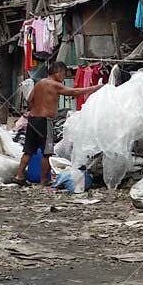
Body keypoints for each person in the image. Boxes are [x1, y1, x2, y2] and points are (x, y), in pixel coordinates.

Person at [16, 60, 99, 189]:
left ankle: (19, 176)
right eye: (63, 74)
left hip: (33, 119)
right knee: (47, 152)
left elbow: (30, 99)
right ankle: (44, 180)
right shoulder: (54, 84)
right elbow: (74, 92)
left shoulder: (39, 83)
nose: (64, 77)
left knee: (28, 150)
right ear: (57, 72)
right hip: (45, 121)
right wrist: (96, 88)